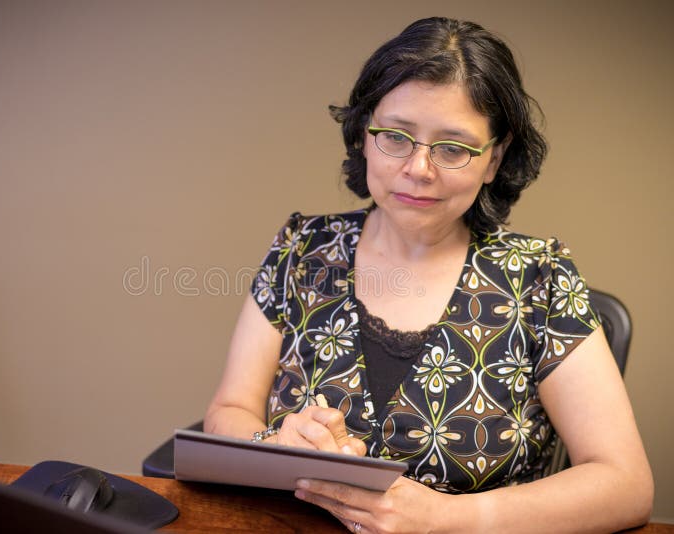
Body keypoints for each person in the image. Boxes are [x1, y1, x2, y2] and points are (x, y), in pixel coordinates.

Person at [204, 16, 653, 533]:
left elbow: (626, 484)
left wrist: (448, 518)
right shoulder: (303, 248)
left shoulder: (540, 278)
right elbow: (230, 409)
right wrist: (275, 443)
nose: (419, 168)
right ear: (364, 134)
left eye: (453, 147)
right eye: (396, 136)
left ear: (494, 158)